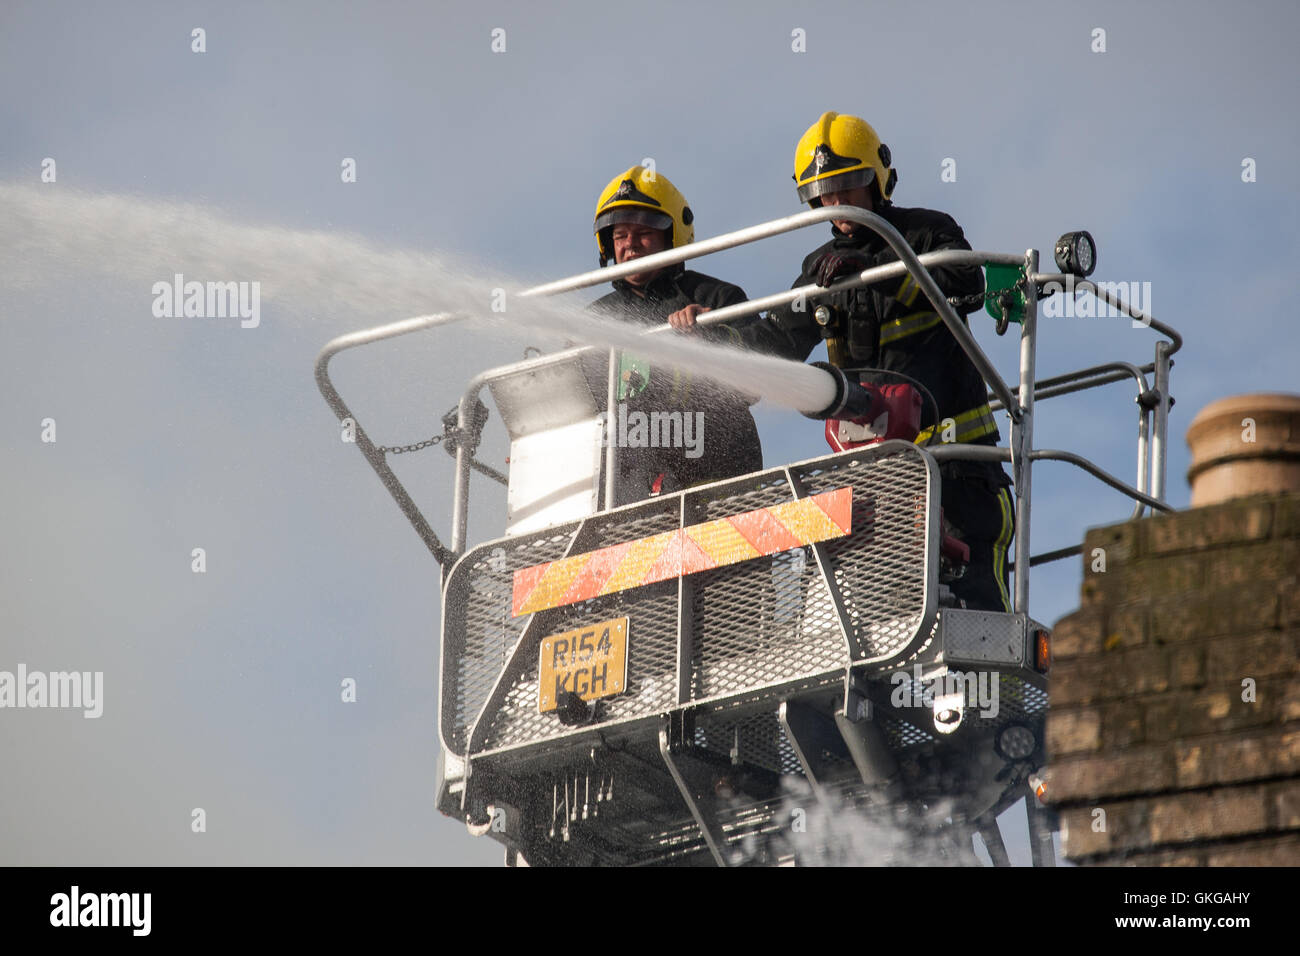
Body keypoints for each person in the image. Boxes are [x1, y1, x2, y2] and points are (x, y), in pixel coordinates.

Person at [683, 112, 1014, 612]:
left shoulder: (927, 232)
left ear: (876, 182)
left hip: (961, 472)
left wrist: (877, 270)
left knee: (979, 618)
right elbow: (775, 341)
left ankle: (995, 691)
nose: (835, 202)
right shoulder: (821, 271)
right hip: (872, 484)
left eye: (846, 186)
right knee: (873, 622)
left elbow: (965, 285)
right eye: (823, 192)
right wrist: (717, 336)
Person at [586, 166, 764, 503]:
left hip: (717, 481)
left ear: (672, 236)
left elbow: (756, 382)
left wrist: (712, 335)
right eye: (620, 235)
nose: (630, 246)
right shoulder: (595, 320)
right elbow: (576, 402)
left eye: (644, 233)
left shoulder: (718, 298)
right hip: (624, 495)